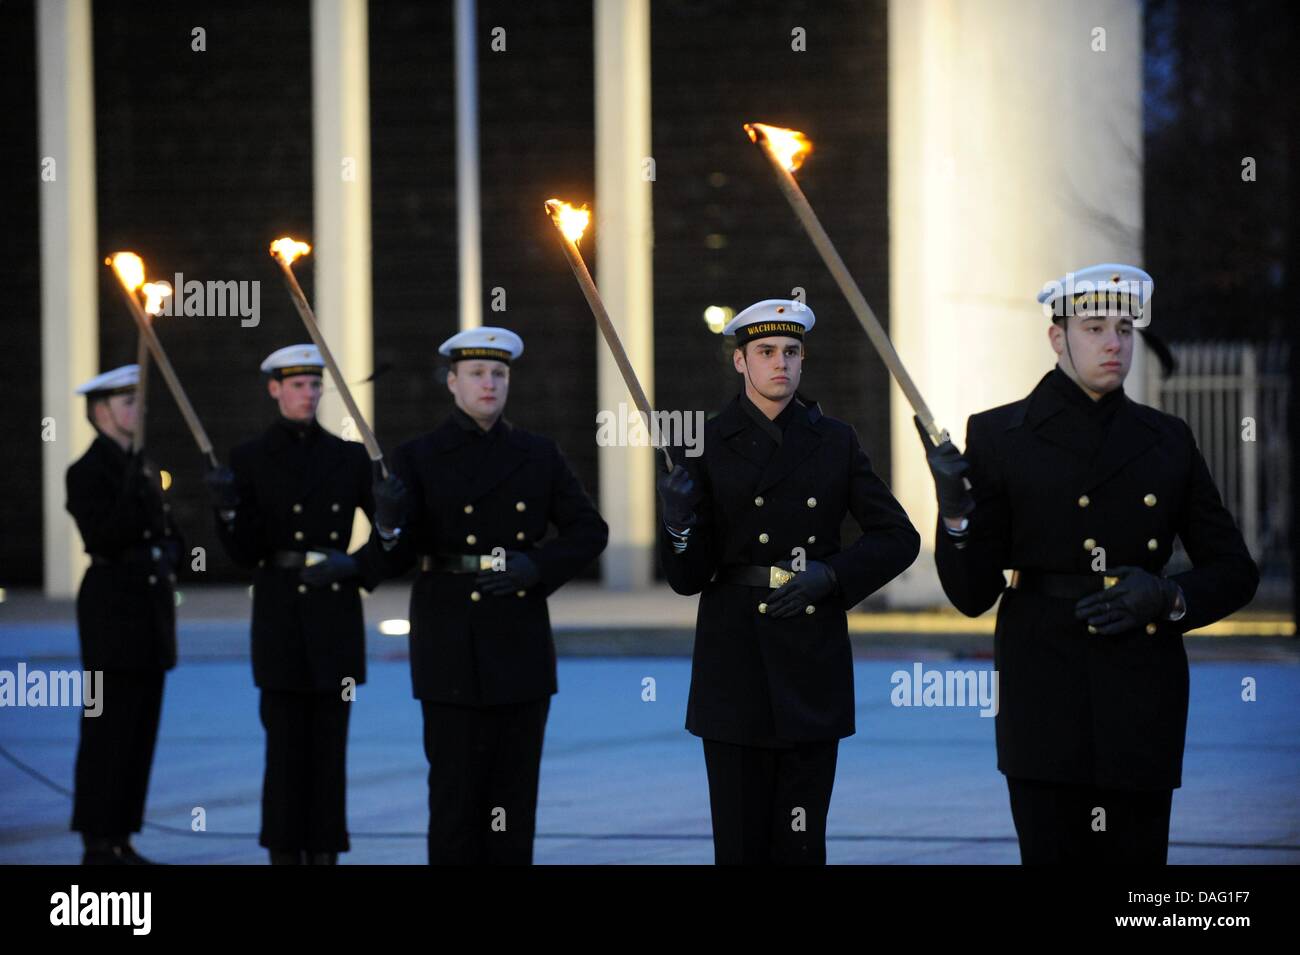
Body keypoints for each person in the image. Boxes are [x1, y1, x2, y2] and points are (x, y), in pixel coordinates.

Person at [917, 263, 1260, 864]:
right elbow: (972, 594)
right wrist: (956, 517)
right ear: (1057, 338)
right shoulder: (1000, 435)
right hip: (1043, 694)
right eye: (1095, 326)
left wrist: (1168, 597)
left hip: (1140, 690)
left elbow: (1234, 570)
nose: (1113, 342)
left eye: (1125, 329)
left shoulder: (1167, 439)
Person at [656, 299, 920, 864]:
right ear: (740, 363)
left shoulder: (835, 439)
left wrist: (831, 576)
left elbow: (899, 537)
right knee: (740, 844)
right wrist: (678, 525)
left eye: (792, 352)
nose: (781, 363)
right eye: (767, 352)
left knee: (801, 844)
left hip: (810, 656)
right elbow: (687, 578)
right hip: (734, 664)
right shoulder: (702, 442)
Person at [369, 326, 608, 865]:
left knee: (514, 794)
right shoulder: (416, 457)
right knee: (454, 794)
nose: (489, 383)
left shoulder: (537, 454)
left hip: (516, 636)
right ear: (452, 382)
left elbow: (589, 530)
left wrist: (536, 567)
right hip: (448, 639)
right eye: (476, 373)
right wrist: (386, 524)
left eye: (498, 374)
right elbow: (391, 558)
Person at [206, 345, 383, 865]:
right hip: (281, 615)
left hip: (333, 613)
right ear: (274, 389)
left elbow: (390, 537)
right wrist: (228, 513)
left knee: (330, 751)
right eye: (297, 385)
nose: (308, 394)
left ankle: (325, 851)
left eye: (314, 385)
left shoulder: (350, 457)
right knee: (283, 750)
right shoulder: (250, 458)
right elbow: (244, 554)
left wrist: (358, 562)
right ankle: (283, 852)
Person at [66, 364, 181, 864]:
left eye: (138, 400)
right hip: (111, 611)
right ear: (100, 412)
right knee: (106, 729)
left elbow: (168, 533)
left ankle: (124, 835)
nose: (137, 410)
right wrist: (132, 486)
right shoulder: (87, 471)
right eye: (126, 402)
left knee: (140, 731)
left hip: (150, 611)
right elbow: (103, 535)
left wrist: (175, 552)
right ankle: (98, 839)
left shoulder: (144, 463)